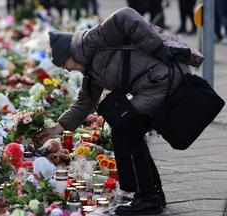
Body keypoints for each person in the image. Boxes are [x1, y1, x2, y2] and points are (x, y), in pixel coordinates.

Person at [36, 7, 190, 215]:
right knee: (127, 131)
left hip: (160, 78)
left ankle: (147, 198)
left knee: (126, 131)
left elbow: (125, 15)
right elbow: (85, 101)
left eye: (65, 65)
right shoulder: (90, 70)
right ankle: (153, 194)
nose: (68, 70)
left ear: (70, 54)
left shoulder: (92, 40)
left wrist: (156, 47)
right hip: (152, 83)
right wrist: (56, 129)